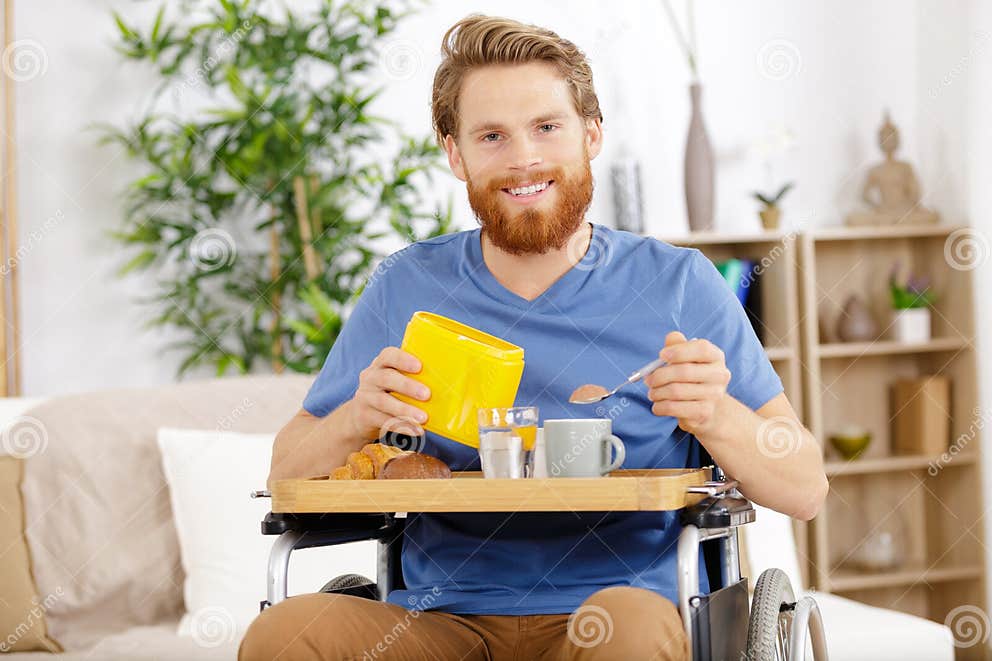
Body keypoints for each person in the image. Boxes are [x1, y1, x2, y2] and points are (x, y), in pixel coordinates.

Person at [240, 13, 827, 661]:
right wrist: (356, 416)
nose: (523, 158)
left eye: (547, 127)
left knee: (627, 624)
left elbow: (805, 487)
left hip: (613, 614)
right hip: (438, 622)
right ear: (455, 153)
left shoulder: (678, 283)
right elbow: (286, 473)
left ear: (591, 134)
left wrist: (716, 414)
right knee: (281, 636)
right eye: (492, 136)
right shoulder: (406, 286)